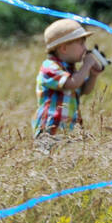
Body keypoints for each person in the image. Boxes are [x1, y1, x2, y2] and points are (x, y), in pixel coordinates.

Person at [34, 17, 104, 145]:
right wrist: (86, 65)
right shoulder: (50, 67)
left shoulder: (70, 68)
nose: (85, 48)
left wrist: (93, 75)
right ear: (64, 48)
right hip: (50, 130)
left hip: (69, 129)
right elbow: (72, 84)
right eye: (81, 44)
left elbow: (84, 90)